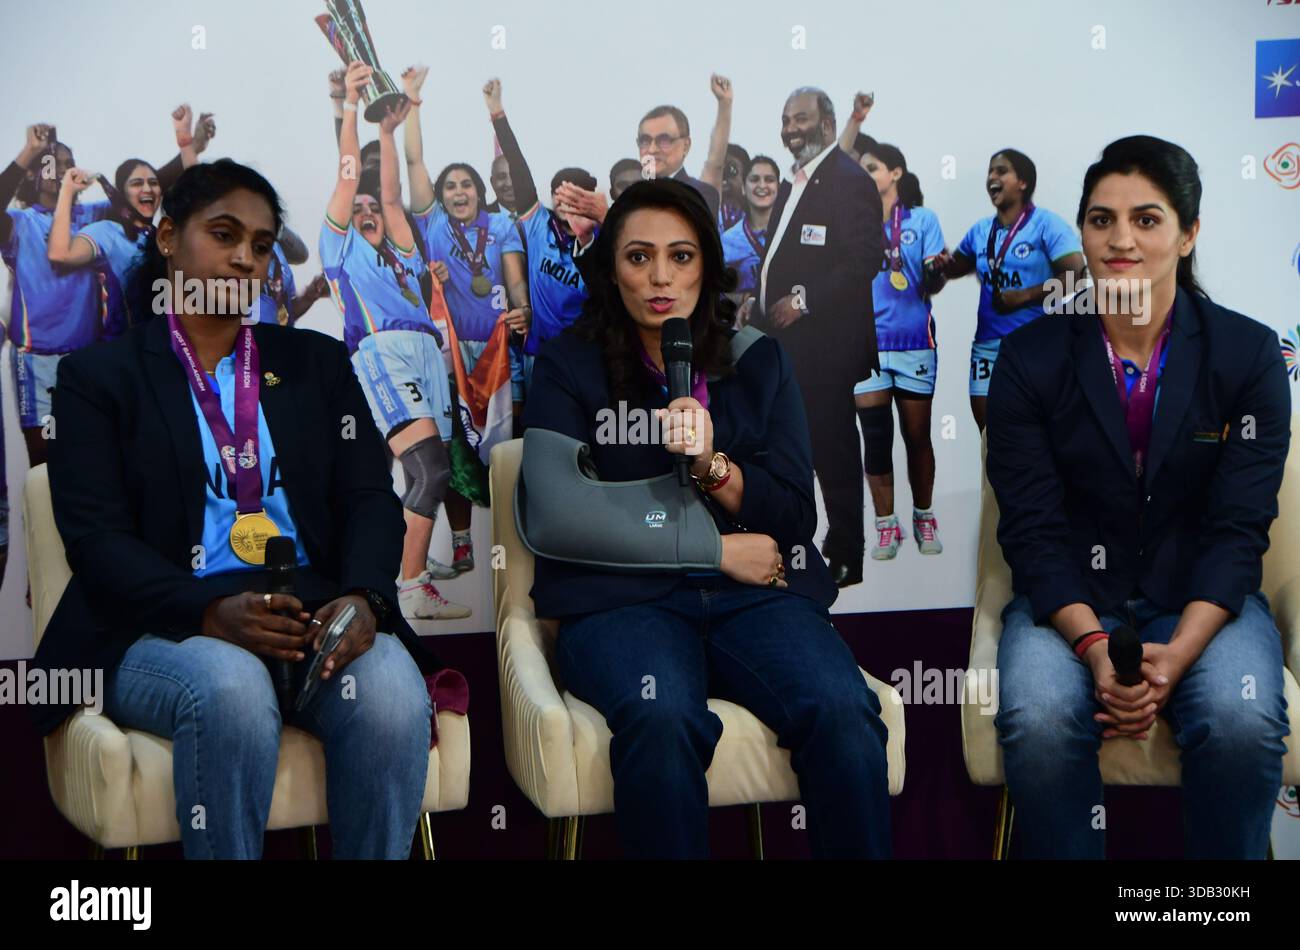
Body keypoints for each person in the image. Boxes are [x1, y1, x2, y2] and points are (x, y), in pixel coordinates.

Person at [32, 157, 445, 859]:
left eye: (259, 245)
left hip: (311, 613)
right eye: (224, 234)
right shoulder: (99, 378)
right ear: (167, 238)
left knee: (392, 697)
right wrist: (204, 611)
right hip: (159, 626)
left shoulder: (314, 362)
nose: (245, 258)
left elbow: (370, 499)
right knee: (230, 686)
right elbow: (97, 541)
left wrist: (366, 601)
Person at [522, 178, 891, 859]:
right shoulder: (568, 364)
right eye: (638, 257)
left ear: (706, 264)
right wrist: (713, 550)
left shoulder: (758, 359)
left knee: (843, 712)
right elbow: (555, 514)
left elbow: (790, 513)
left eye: (681, 256)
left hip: (754, 603)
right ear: (610, 267)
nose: (661, 277)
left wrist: (713, 467)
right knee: (662, 718)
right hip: (622, 605)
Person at [986, 135, 1291, 859]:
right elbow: (1031, 530)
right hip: (1068, 598)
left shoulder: (1246, 355)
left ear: (1189, 233)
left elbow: (1239, 530)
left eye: (1147, 219)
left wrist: (1177, 654)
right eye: (1100, 220)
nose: (1120, 239)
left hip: (1201, 595)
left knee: (1240, 719)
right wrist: (1094, 648)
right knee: (1037, 717)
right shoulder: (1031, 358)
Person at [321, 62, 468, 621]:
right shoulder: (339, 252)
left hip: (427, 357)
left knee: (421, 475)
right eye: (354, 207)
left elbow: (389, 192)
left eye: (372, 208)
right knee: (430, 467)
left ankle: (385, 586)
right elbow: (349, 176)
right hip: (381, 352)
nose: (365, 210)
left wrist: (389, 129)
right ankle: (411, 585)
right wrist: (353, 109)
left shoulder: (404, 250)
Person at [402, 64, 530, 581]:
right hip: (450, 359)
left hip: (501, 355)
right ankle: (461, 548)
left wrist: (521, 309)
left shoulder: (500, 226)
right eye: (450, 186)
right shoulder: (431, 225)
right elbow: (413, 158)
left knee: (506, 454)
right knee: (454, 452)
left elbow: (515, 279)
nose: (458, 192)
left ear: (480, 191)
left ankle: (518, 548)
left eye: (467, 185)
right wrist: (412, 99)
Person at [753, 86, 882, 589]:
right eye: (785, 119)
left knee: (832, 447)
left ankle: (848, 551)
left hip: (825, 346)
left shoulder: (848, 180)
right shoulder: (796, 181)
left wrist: (801, 301)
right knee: (792, 446)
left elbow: (864, 258)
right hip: (785, 346)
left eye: (800, 119)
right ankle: (801, 543)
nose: (789, 128)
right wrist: (759, 301)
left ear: (827, 124)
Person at [933, 148, 1086, 431]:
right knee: (990, 438)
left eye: (1001, 171)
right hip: (987, 347)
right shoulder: (981, 230)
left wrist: (1024, 296)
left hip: (1036, 345)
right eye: (990, 172)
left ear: (1023, 182)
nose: (992, 177)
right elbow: (958, 267)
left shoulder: (1047, 225)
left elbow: (1076, 277)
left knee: (1036, 435)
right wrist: (944, 262)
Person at [854, 144, 948, 560]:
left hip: (913, 343)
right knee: (875, 440)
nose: (864, 176)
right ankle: (885, 525)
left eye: (871, 169)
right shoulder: (852, 224)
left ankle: (924, 516)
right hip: (865, 346)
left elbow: (934, 279)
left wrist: (936, 273)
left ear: (895, 172)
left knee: (917, 438)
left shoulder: (923, 219)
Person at [482, 78, 600, 390]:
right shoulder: (538, 224)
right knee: (542, 429)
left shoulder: (602, 238)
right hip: (541, 352)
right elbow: (519, 168)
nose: (565, 203)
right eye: (559, 196)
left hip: (587, 354)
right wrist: (498, 114)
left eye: (574, 196)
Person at [636, 104, 721, 219]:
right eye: (645, 141)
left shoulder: (700, 194)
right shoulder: (632, 194)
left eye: (663, 140)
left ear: (685, 146)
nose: (652, 150)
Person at [719, 155, 779, 314]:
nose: (762, 185)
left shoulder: (792, 233)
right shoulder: (728, 240)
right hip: (743, 327)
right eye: (754, 179)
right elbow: (715, 290)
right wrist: (744, 299)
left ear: (779, 188)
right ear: (744, 188)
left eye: (769, 179)